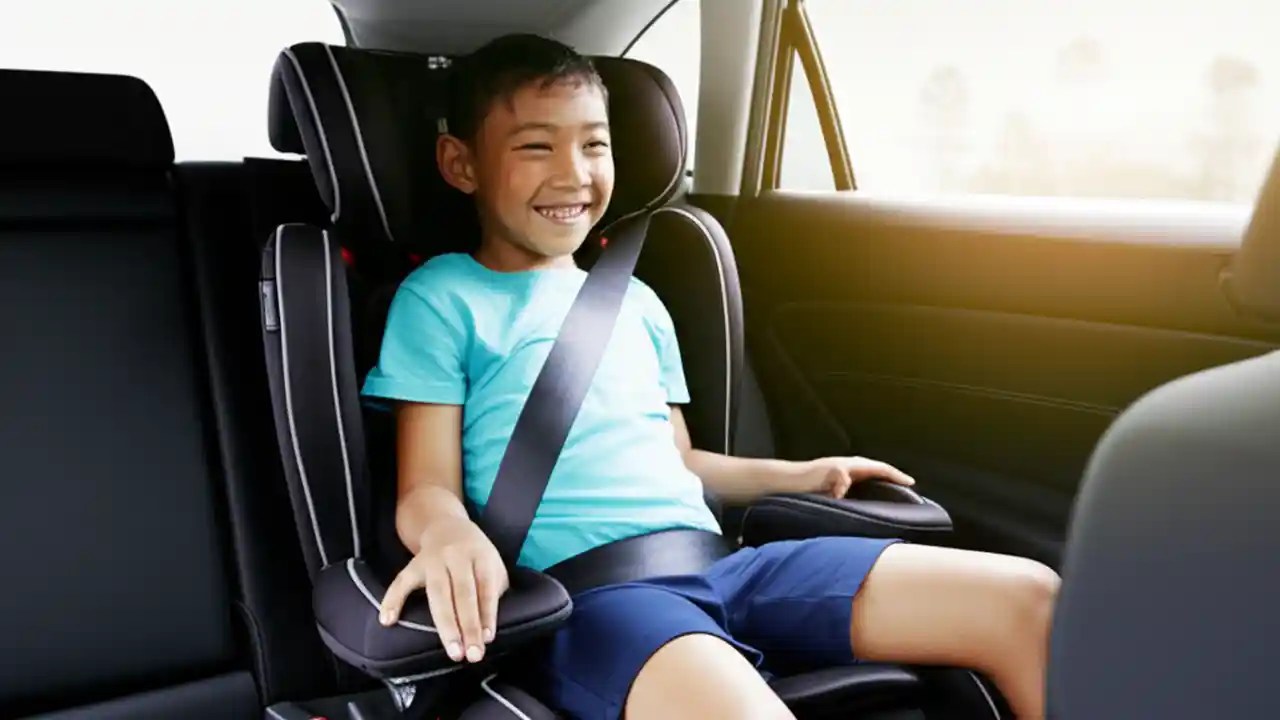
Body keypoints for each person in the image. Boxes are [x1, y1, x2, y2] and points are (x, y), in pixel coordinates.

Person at [363, 33, 1060, 720]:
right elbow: (425, 489)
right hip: (593, 600)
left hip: (727, 565)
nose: (574, 172)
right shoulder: (442, 298)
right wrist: (447, 535)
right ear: (461, 165)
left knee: (1029, 598)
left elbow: (681, 460)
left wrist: (802, 475)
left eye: (595, 144)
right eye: (537, 146)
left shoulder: (636, 301)